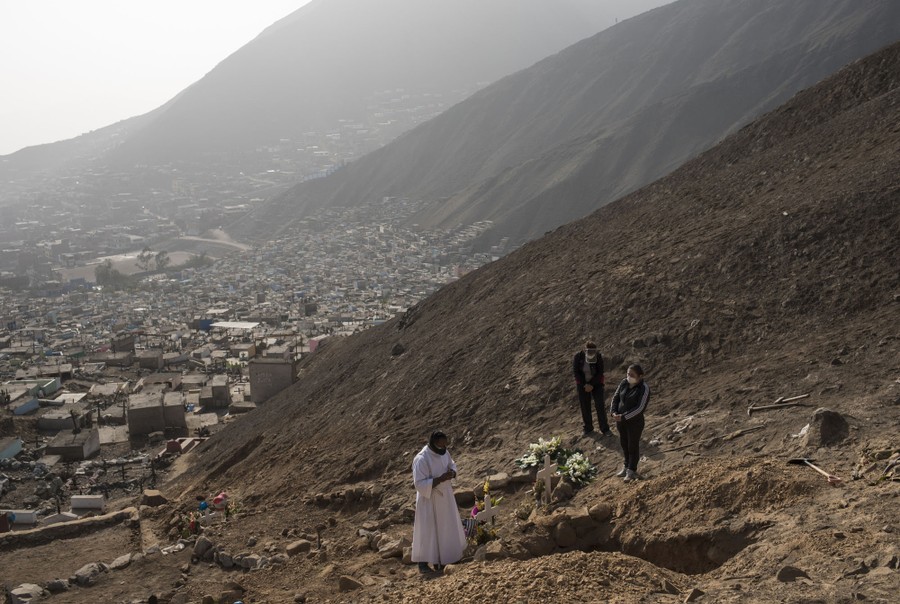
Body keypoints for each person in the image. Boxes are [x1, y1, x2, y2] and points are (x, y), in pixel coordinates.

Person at [411, 431, 467, 574]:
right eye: (440, 445)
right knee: (428, 531)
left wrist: (452, 473)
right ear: (432, 443)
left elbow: (451, 464)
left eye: (444, 445)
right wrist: (439, 479)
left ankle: (444, 560)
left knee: (446, 527)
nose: (443, 448)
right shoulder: (422, 459)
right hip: (429, 499)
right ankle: (423, 563)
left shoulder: (444, 452)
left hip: (445, 497)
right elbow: (419, 483)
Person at [610, 364, 650, 482]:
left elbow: (640, 408)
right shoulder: (624, 383)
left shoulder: (644, 388)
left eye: (632, 375)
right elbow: (616, 398)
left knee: (632, 445)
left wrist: (624, 417)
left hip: (634, 422)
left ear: (640, 376)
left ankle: (631, 470)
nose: (629, 376)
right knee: (624, 444)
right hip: (620, 421)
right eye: (628, 374)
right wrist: (613, 412)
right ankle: (626, 466)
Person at [572, 341, 610, 436]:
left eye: (593, 351)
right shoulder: (578, 357)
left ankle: (605, 428)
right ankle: (588, 428)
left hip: (596, 383)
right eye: (589, 351)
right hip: (583, 384)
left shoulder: (598, 357)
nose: (591, 353)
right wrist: (585, 385)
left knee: (600, 405)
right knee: (585, 406)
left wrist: (592, 384)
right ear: (584, 350)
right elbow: (576, 372)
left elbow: (600, 372)